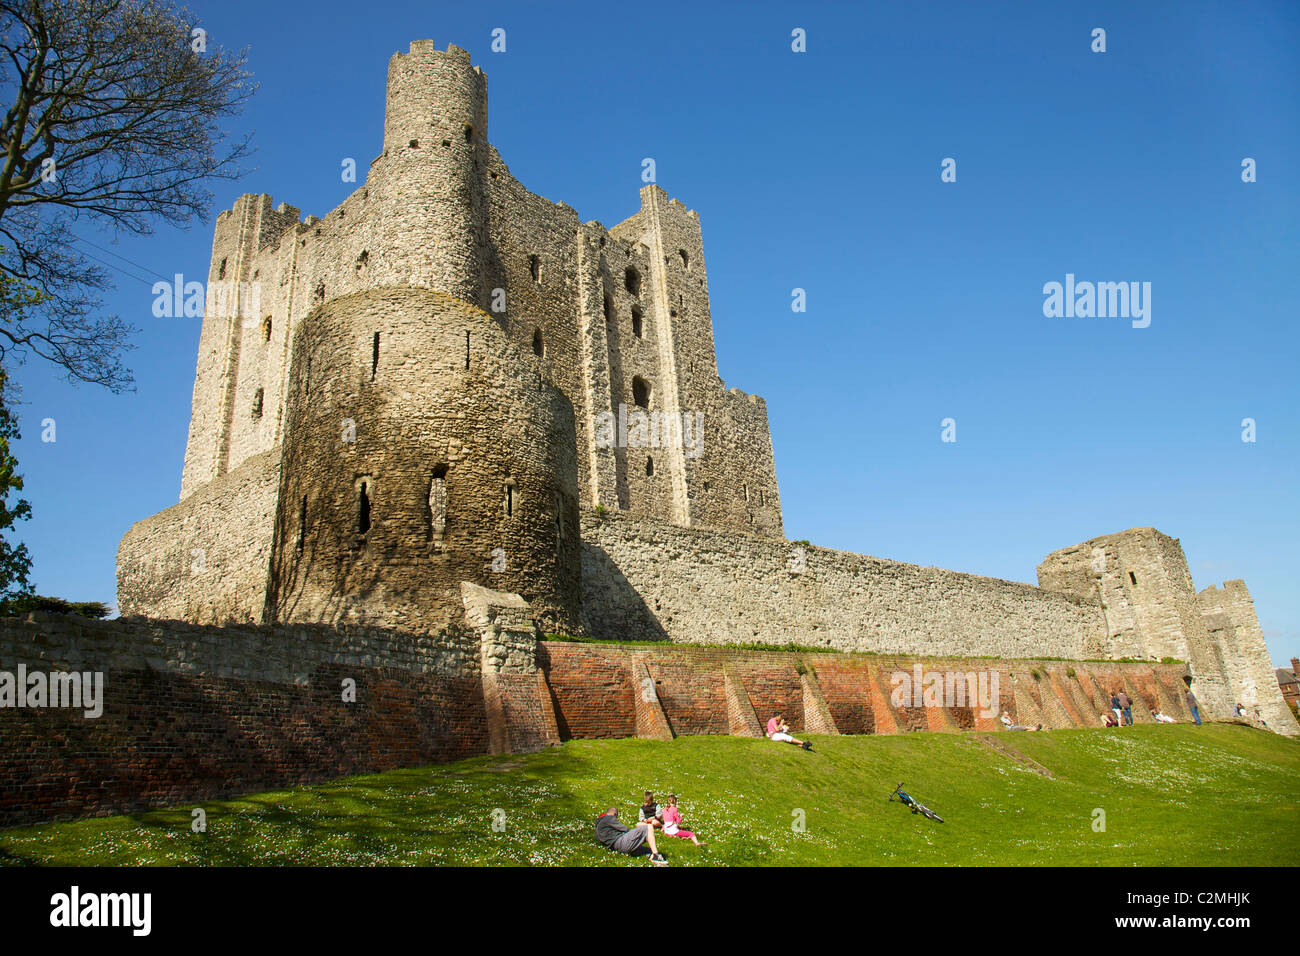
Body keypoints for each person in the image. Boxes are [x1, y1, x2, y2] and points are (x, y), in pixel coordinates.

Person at [594, 807, 667, 865]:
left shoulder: (599, 823)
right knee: (649, 827)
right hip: (621, 842)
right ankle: (655, 855)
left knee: (646, 850)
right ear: (615, 813)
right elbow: (625, 829)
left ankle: (652, 856)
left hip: (616, 847)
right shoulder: (609, 818)